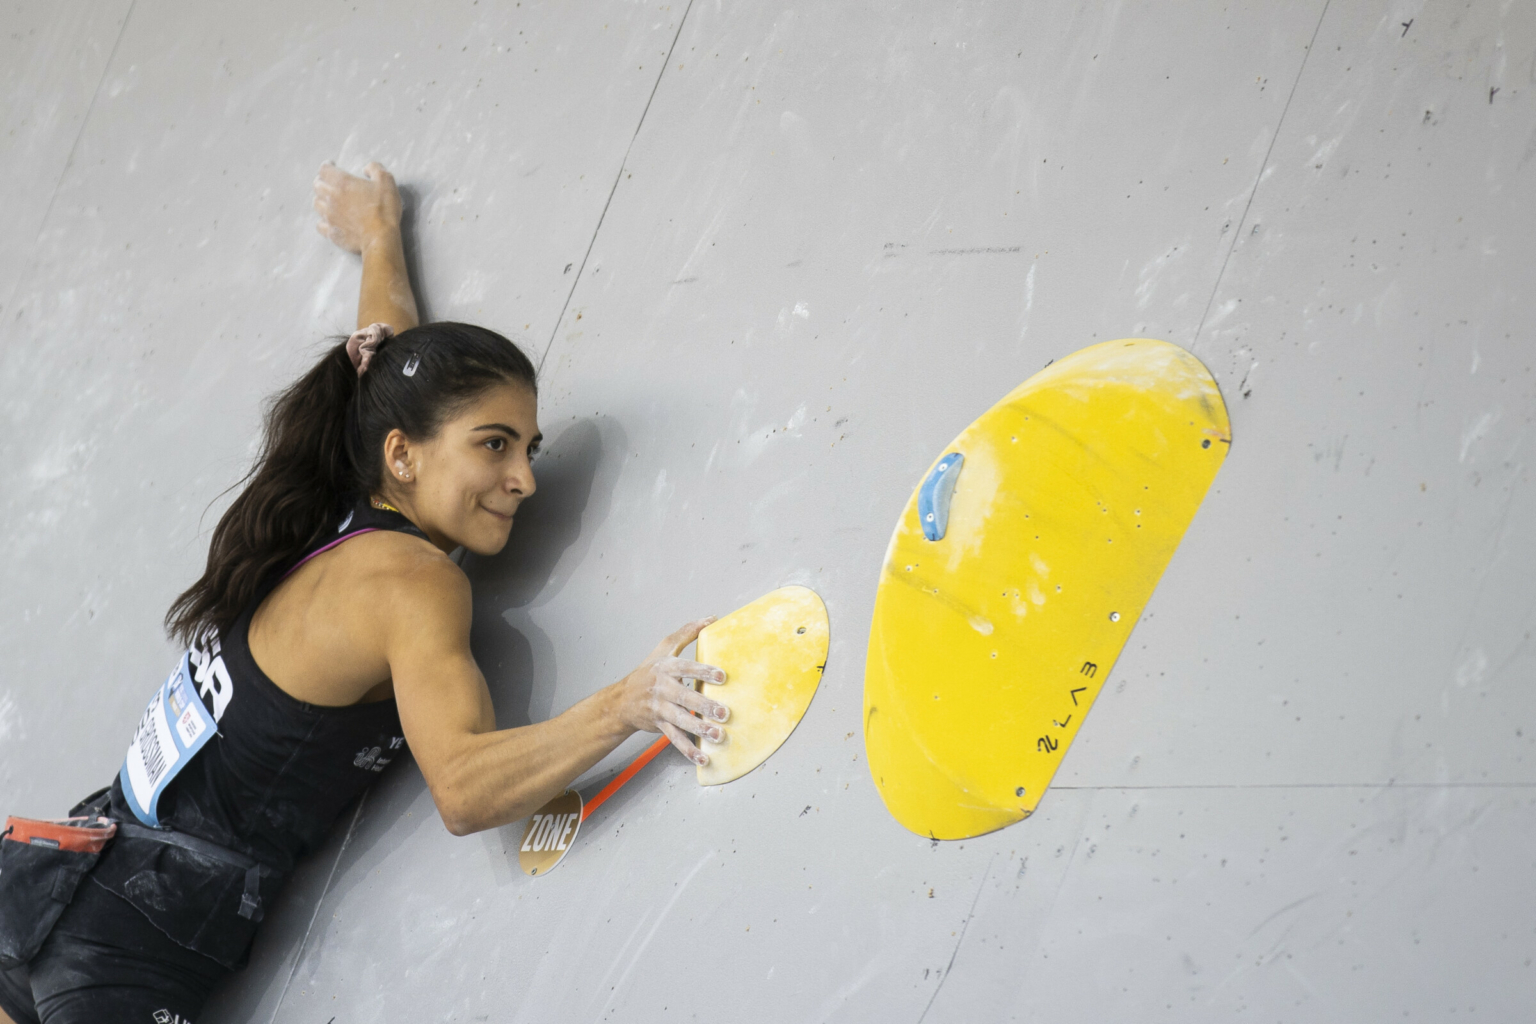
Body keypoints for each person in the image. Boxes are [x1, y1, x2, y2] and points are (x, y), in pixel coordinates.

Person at [0, 160, 730, 1024]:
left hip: (51, 874)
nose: (524, 479)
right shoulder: (413, 583)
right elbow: (463, 788)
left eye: (528, 449)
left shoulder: (329, 501)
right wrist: (626, 704)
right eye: (495, 446)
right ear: (402, 457)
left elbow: (396, 359)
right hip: (128, 940)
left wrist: (380, 238)